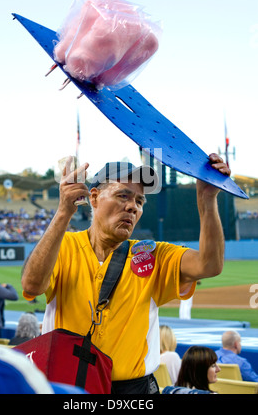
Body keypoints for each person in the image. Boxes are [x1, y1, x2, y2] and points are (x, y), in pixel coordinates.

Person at [21, 153, 230, 394]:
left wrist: (206, 199)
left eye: (140, 201)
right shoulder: (63, 245)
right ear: (94, 197)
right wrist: (63, 213)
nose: (132, 206)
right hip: (69, 386)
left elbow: (209, 265)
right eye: (123, 195)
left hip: (132, 391)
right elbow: (32, 285)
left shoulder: (152, 255)